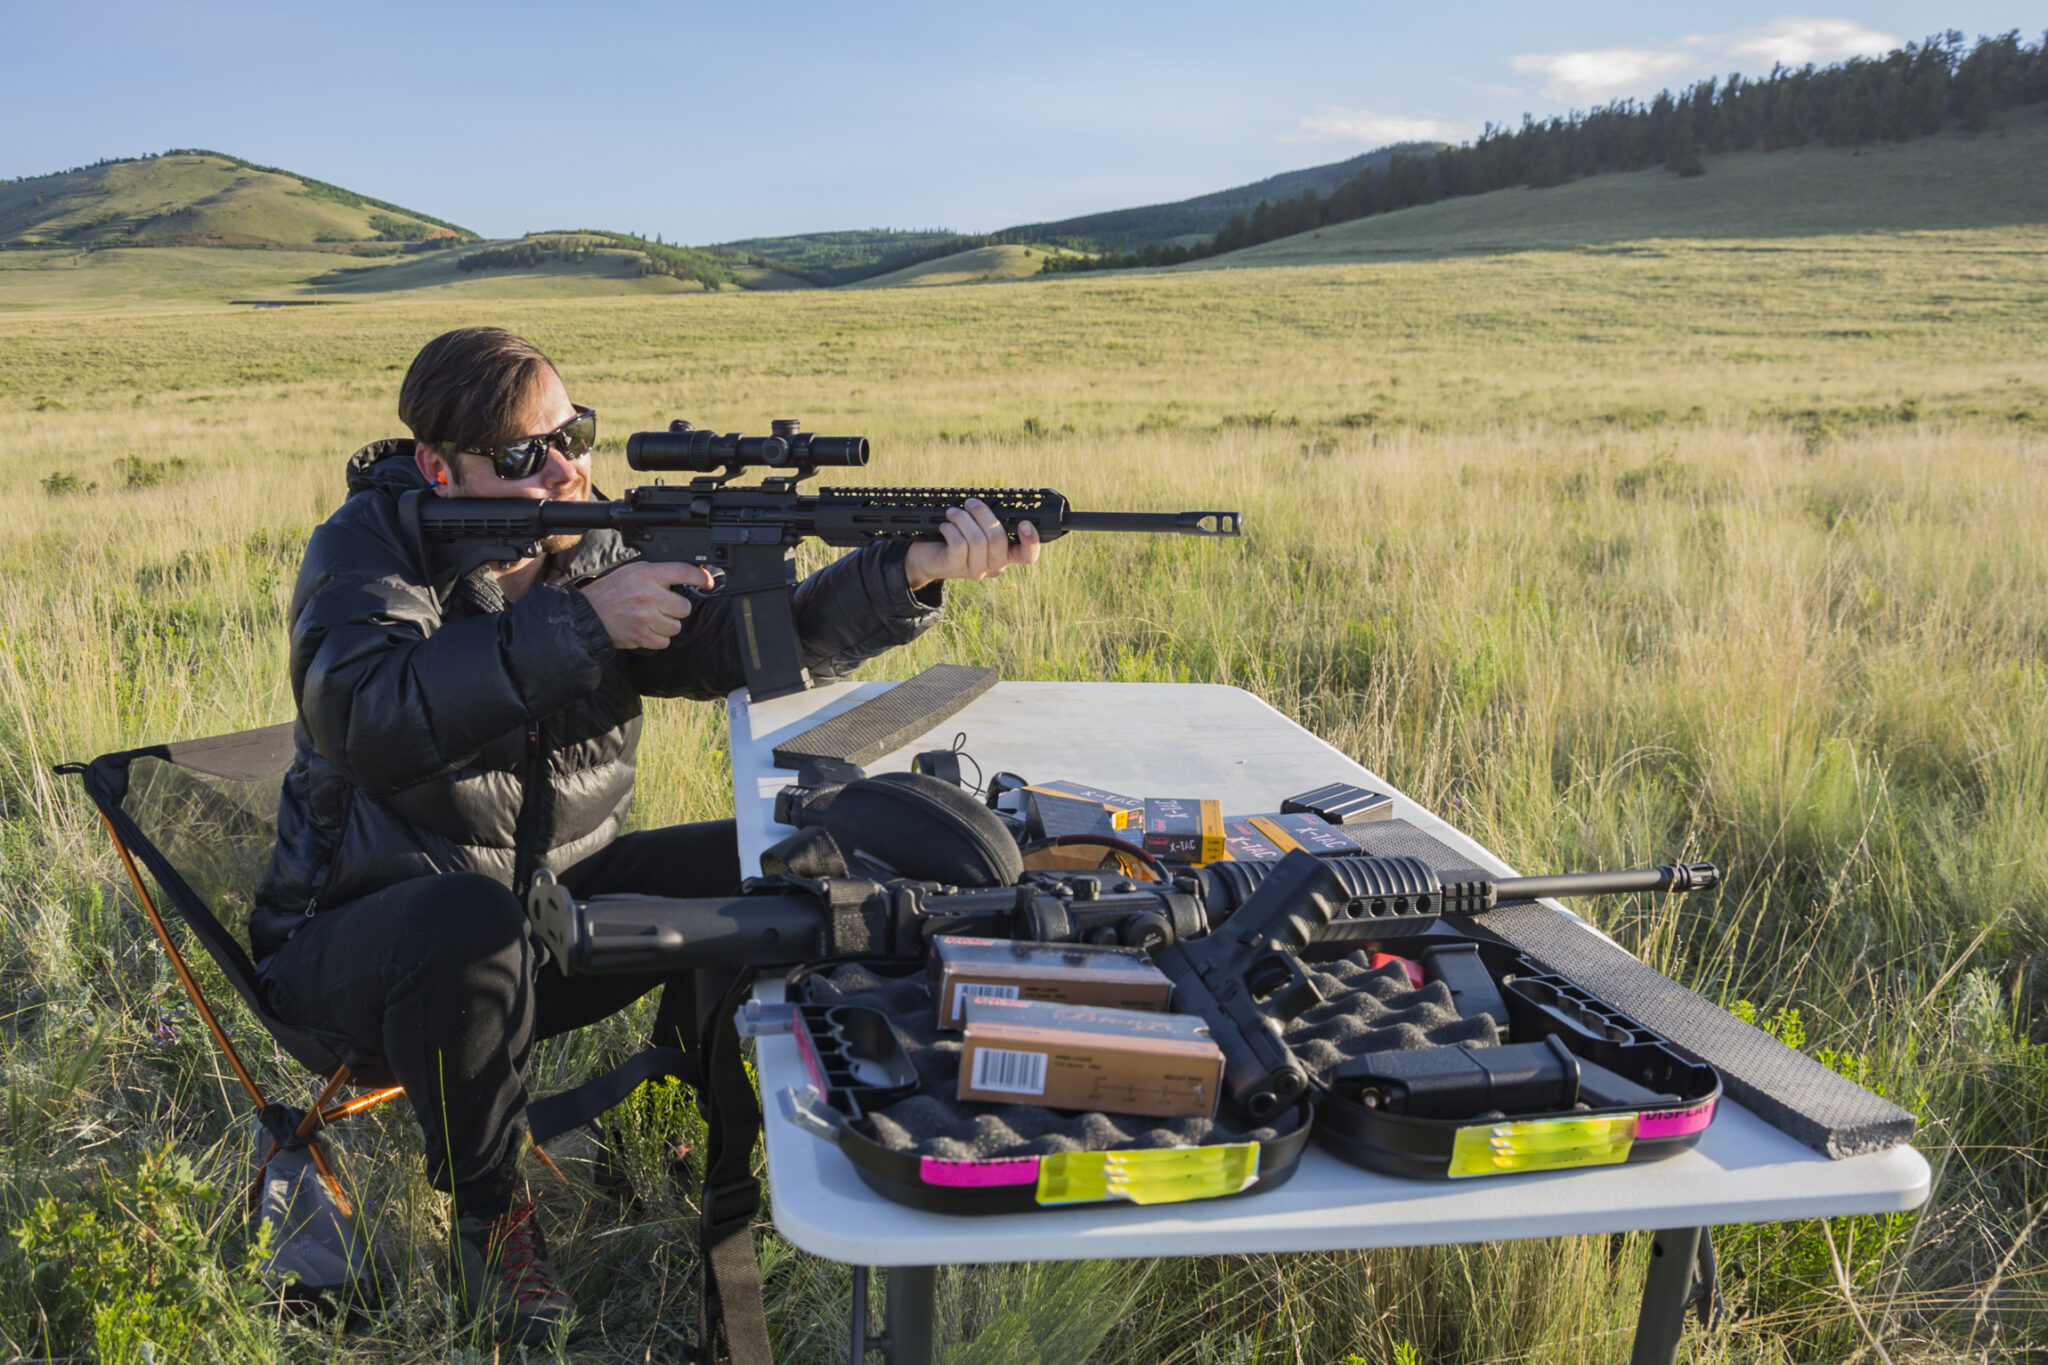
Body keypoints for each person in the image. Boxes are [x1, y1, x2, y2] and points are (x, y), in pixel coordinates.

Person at [249, 326, 1041, 1344]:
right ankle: (492, 1220)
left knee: (763, 862)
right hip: (366, 959)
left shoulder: (587, 538)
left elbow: (736, 646)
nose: (566, 469)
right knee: (469, 921)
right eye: (525, 455)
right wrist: (585, 625)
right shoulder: (367, 547)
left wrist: (905, 574)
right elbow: (364, 716)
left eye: (573, 435)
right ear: (441, 469)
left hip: (547, 922)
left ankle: (682, 1107)